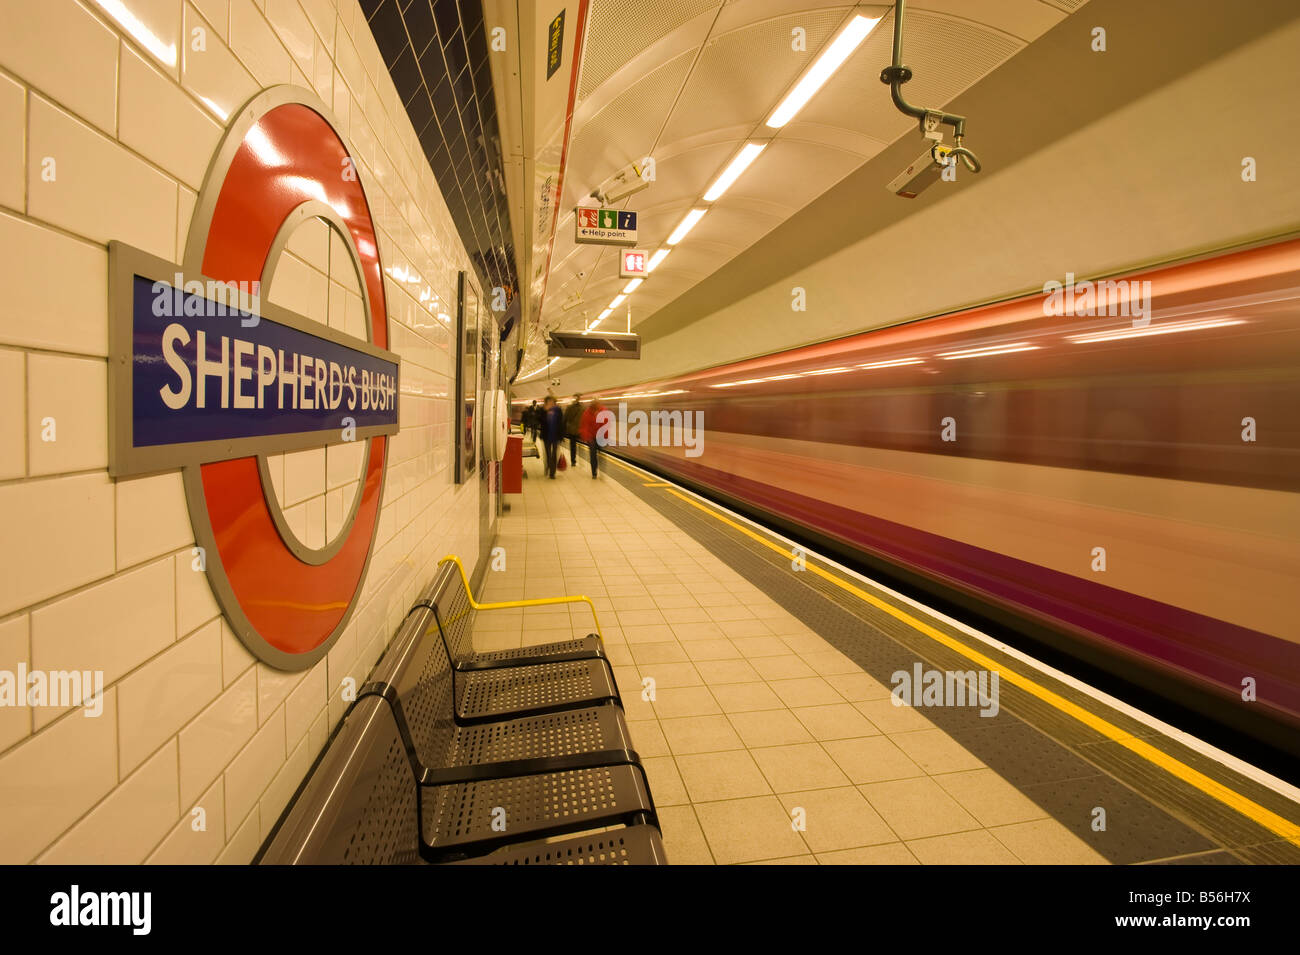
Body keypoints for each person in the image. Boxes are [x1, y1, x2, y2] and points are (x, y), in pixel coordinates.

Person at [579, 397, 607, 479]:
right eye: (595, 404)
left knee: (601, 455)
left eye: (598, 404)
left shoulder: (603, 411)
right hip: (591, 437)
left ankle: (601, 471)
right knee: (593, 455)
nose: (597, 406)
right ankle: (594, 473)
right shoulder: (587, 413)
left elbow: (606, 425)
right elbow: (584, 426)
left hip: (601, 437)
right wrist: (588, 437)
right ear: (593, 405)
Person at [540, 395, 565, 479]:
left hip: (555, 436)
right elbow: (539, 421)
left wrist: (561, 436)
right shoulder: (543, 410)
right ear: (546, 402)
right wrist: (544, 412)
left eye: (552, 401)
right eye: (549, 401)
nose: (550, 403)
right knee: (548, 455)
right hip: (546, 436)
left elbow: (561, 423)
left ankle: (552, 473)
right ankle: (548, 466)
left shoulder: (558, 410)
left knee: (554, 454)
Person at [563, 394, 584, 468]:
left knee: (573, 446)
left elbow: (565, 418)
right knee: (581, 445)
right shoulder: (582, 408)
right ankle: (580, 460)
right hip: (580, 430)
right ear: (579, 399)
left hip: (572, 430)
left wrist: (563, 430)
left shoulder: (569, 407)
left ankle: (573, 461)